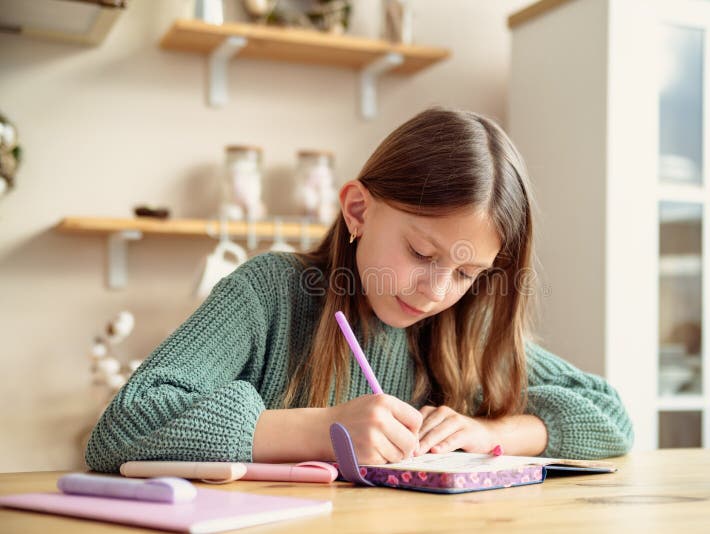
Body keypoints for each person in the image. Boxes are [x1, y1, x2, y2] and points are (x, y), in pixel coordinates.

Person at [85, 108, 633, 472]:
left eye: (468, 274)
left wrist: (488, 433)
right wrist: (322, 429)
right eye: (421, 254)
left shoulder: (465, 324)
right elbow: (123, 426)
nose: (436, 290)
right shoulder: (270, 294)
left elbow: (611, 415)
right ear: (358, 210)